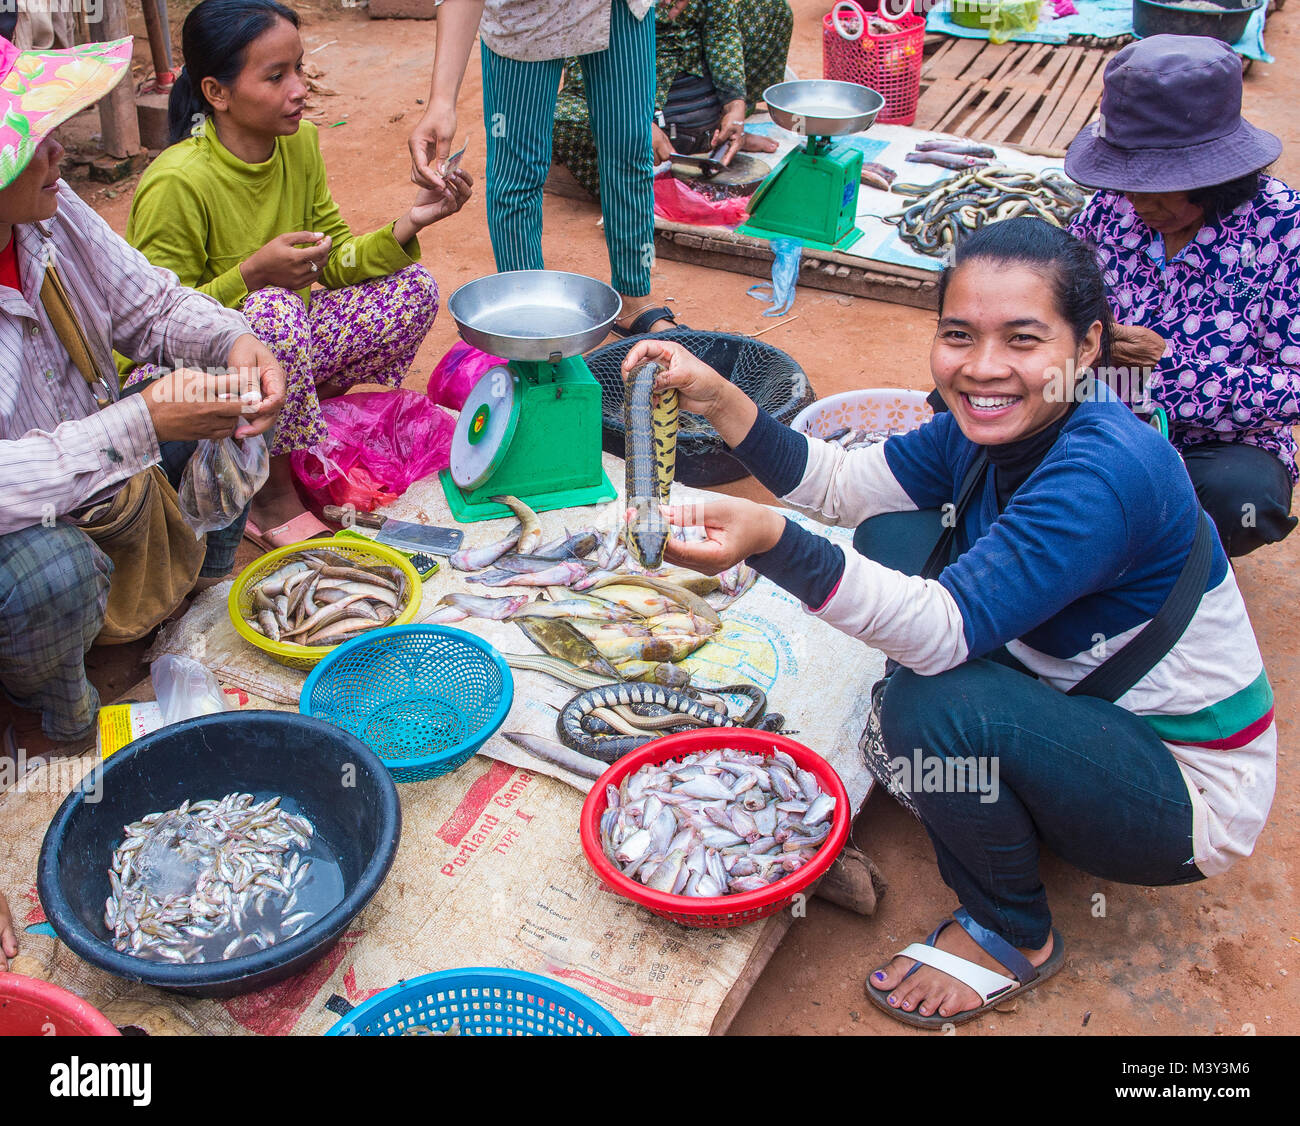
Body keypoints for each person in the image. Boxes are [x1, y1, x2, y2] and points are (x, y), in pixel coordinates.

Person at [622, 217, 1276, 1028]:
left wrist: (773, 544)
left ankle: (1012, 932)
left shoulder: (1102, 472)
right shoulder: (993, 424)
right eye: (959, 335)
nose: (984, 367)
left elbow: (936, 633)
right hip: (1089, 708)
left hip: (1187, 794)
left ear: (1085, 348)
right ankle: (1010, 782)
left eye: (1022, 339)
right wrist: (718, 395)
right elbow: (839, 484)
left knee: (928, 706)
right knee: (891, 535)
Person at [0, 34, 285, 755]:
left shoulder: (47, 213)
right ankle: (58, 718)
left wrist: (232, 343)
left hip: (99, 466)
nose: (59, 148)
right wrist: (141, 422)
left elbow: (153, 307)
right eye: (33, 139)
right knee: (46, 576)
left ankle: (203, 600)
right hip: (28, 521)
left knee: (238, 388)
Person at [124, 0, 472, 549]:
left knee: (413, 290)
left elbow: (333, 260)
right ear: (217, 92)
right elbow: (148, 325)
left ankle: (295, 412)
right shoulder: (177, 182)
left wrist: (413, 220)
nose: (299, 88)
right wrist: (252, 273)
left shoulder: (300, 143)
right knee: (273, 310)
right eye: (276, 76)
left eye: (301, 68)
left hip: (278, 349)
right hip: (183, 373)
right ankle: (272, 494)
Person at [1065, 34, 1299, 558]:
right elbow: (1055, 291)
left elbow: (1295, 387)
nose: (1137, 201)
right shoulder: (1111, 209)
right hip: (1098, 407)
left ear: (1222, 174)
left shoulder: (1286, 231)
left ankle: (1179, 565)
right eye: (1127, 183)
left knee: (1242, 496)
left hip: (1215, 442)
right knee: (972, 398)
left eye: (1159, 185)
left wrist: (1171, 366)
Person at [410, 0, 676, 338]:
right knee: (517, 173)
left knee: (630, 149)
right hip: (523, 13)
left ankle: (634, 293)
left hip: (617, 7)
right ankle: (528, 318)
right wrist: (441, 101)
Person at [552, 0, 790, 200]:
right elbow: (582, 55)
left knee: (772, 10)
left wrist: (735, 104)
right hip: (626, 80)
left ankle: (719, 134)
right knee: (559, 119)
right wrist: (633, 118)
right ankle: (644, 176)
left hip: (701, 79)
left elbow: (722, 29)